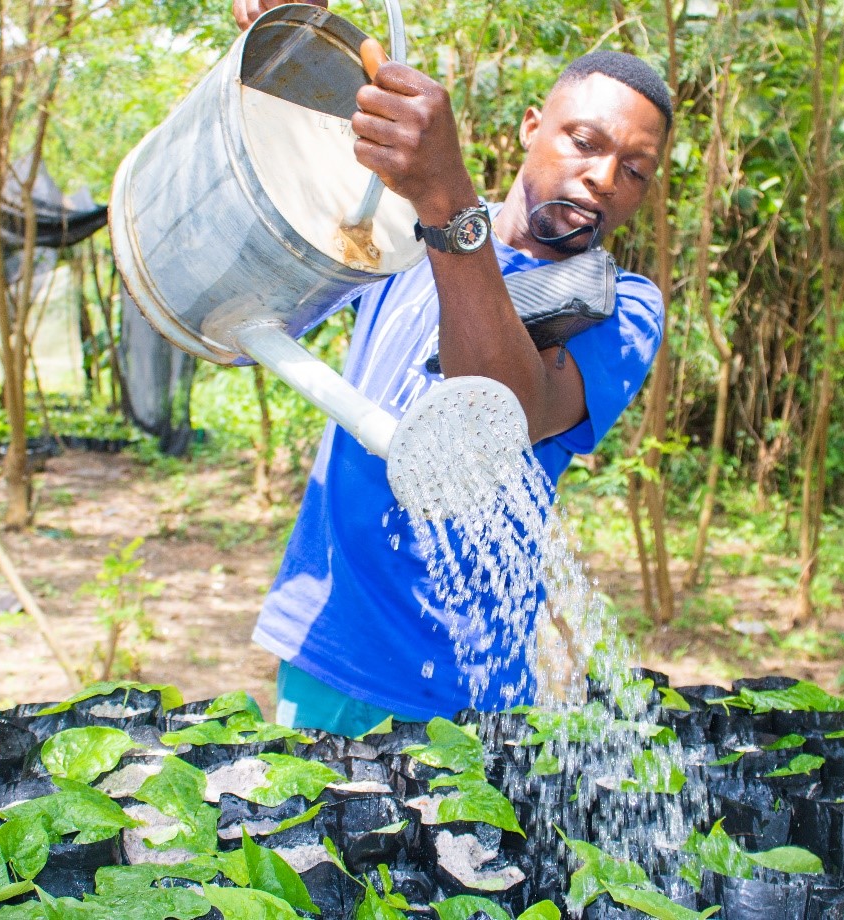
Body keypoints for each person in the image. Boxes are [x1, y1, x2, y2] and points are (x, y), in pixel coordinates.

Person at [237, 0, 672, 736]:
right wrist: (282, 52)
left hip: (467, 698)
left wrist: (448, 201)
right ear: (532, 127)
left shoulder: (621, 308)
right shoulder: (399, 232)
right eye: (583, 141)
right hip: (332, 652)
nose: (602, 178)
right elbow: (283, 214)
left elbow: (499, 409)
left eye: (633, 170)